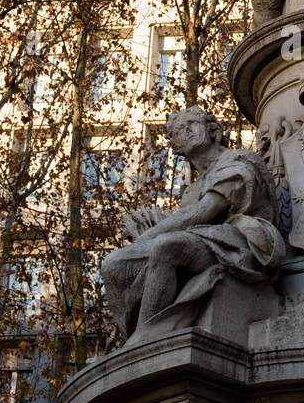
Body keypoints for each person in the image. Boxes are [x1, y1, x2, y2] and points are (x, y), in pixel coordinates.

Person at [101, 105, 284, 340]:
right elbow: (188, 221)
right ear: (176, 147)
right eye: (178, 131)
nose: (186, 132)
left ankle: (144, 338)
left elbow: (201, 213)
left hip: (243, 241)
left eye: (191, 125)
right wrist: (145, 233)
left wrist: (148, 237)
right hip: (208, 241)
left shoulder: (237, 160)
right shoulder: (192, 191)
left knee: (167, 246)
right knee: (112, 264)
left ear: (213, 130)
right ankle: (131, 335)